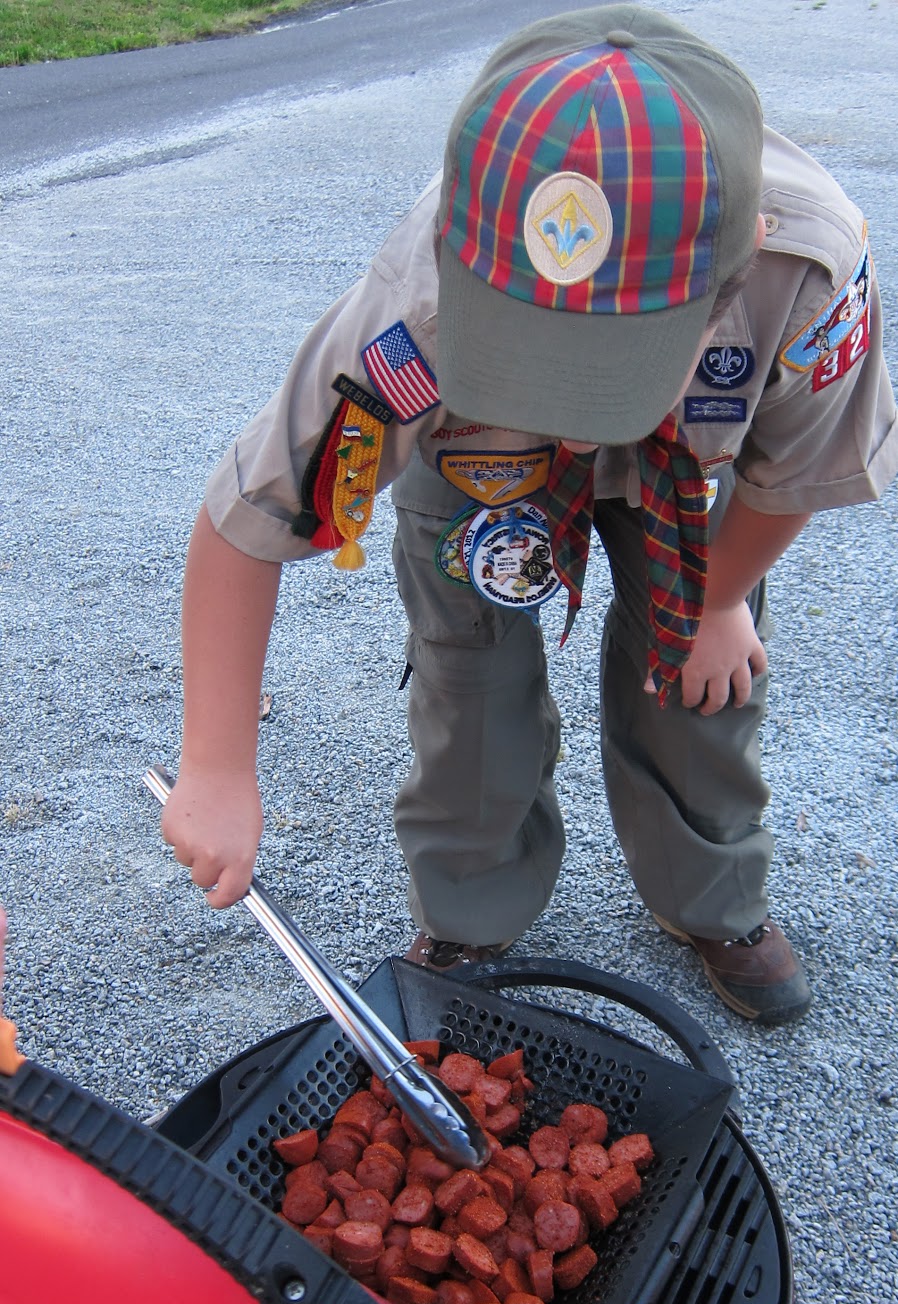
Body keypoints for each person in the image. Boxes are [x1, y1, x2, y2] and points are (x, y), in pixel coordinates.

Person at [160, 5, 898, 1026]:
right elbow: (253, 516)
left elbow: (788, 473)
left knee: (704, 677)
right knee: (467, 675)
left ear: (742, 268)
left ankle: (709, 895)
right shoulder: (412, 306)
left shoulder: (809, 270)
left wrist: (718, 599)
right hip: (477, 469)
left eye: (603, 371)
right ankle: (472, 902)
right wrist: (215, 767)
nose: (567, 413)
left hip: (684, 474)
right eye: (530, 357)